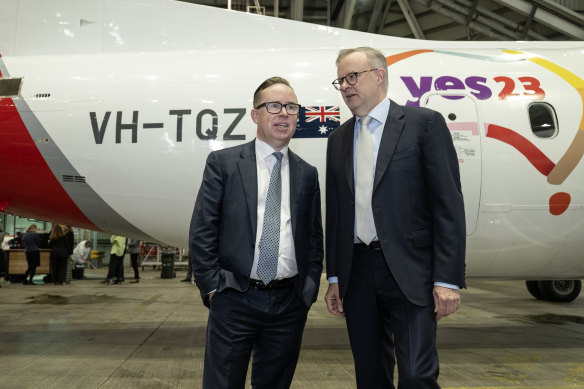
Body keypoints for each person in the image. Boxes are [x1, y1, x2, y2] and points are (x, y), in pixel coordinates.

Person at [324, 47, 466, 389]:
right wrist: (334, 276)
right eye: (340, 80)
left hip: (411, 271)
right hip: (357, 273)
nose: (345, 86)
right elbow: (336, 214)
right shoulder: (338, 139)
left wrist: (446, 279)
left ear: (379, 75)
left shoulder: (423, 125)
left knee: (417, 375)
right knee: (370, 375)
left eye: (352, 77)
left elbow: (448, 205)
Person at [189, 76, 323, 389]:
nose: (283, 114)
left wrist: (308, 288)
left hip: (289, 303)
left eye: (291, 107)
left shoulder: (307, 173)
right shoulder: (224, 163)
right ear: (256, 114)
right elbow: (203, 229)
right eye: (273, 106)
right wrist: (212, 288)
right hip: (234, 297)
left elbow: (313, 238)